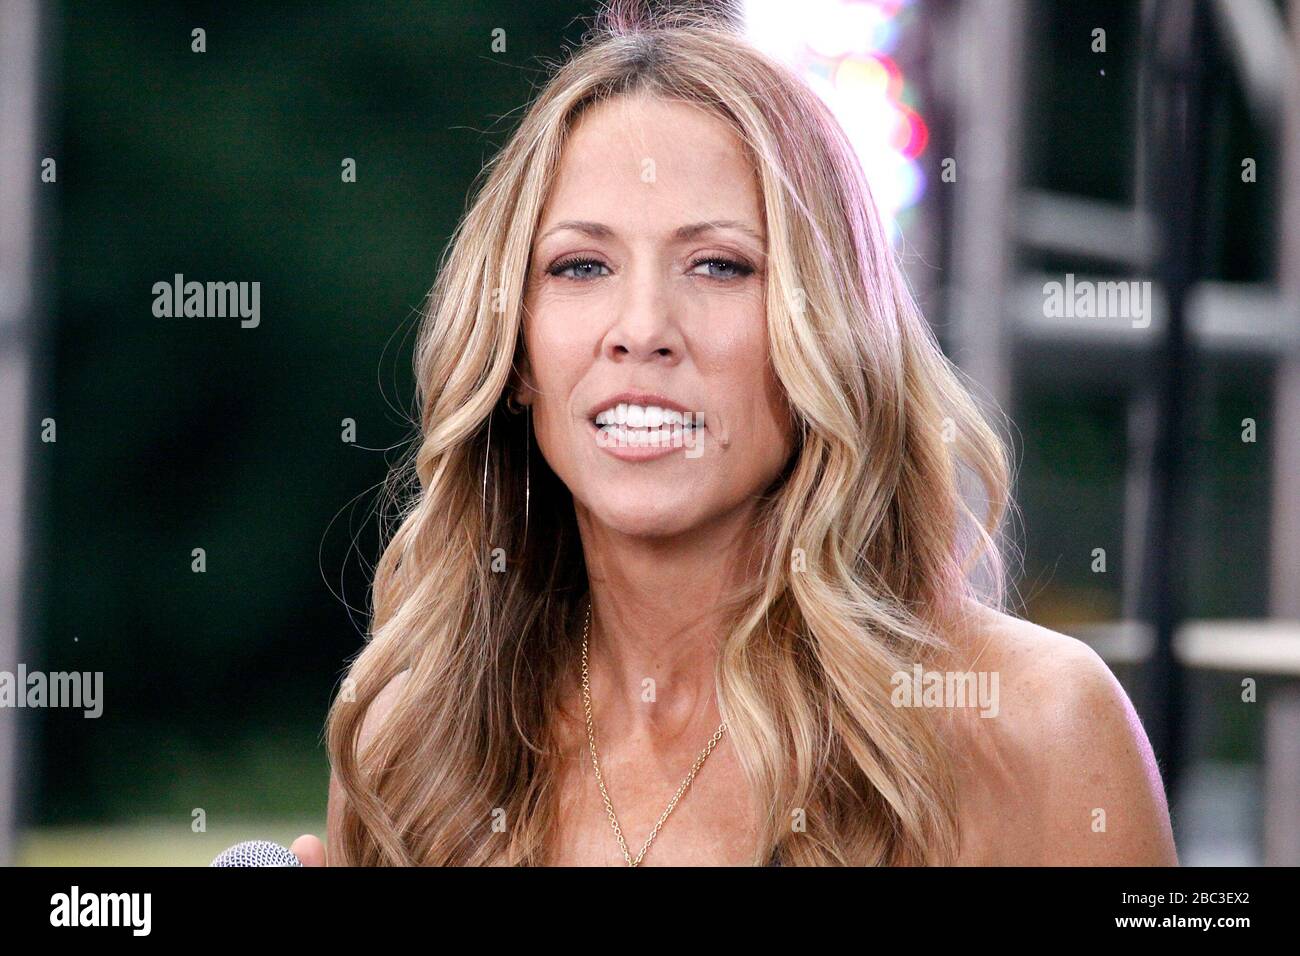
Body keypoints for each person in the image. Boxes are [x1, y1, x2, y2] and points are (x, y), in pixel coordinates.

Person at [291, 0, 1178, 867]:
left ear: (829, 335)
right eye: (581, 266)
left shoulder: (1034, 723)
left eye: (720, 265)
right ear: (515, 353)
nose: (641, 327)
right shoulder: (411, 748)